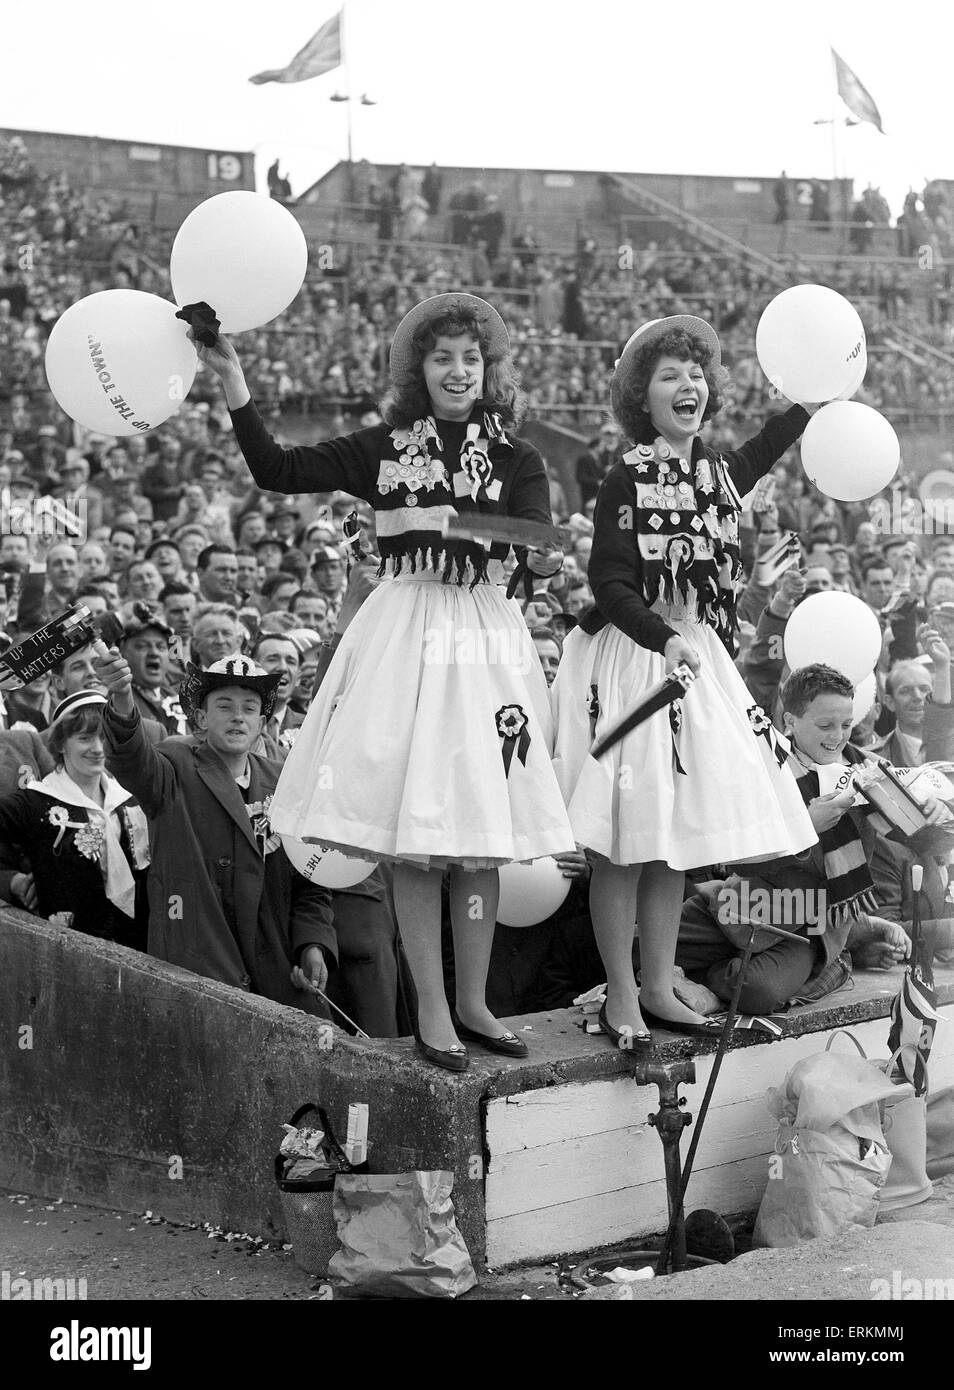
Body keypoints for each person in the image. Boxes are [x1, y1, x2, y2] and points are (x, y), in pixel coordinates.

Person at [193, 292, 576, 1070]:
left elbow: (536, 537)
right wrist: (233, 379)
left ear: (489, 369)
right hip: (406, 635)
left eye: (471, 358)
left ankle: (473, 1002)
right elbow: (277, 468)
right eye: (443, 358)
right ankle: (432, 1014)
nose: (458, 371)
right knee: (415, 837)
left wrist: (528, 552)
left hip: (483, 639)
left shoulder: (517, 455)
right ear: (419, 371)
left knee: (478, 838)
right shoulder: (385, 445)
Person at [551, 315, 818, 1046]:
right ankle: (620, 996)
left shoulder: (721, 474)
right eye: (670, 375)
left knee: (670, 840)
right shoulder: (623, 476)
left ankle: (659, 981)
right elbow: (608, 582)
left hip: (696, 659)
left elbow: (767, 446)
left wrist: (812, 400)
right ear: (644, 395)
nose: (688, 384)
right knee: (622, 842)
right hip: (641, 656)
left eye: (695, 373)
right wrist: (663, 639)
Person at [95, 650, 336, 1012]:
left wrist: (312, 943)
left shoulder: (284, 782)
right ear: (201, 718)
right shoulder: (173, 765)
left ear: (262, 722)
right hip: (198, 965)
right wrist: (122, 696)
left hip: (277, 973)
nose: (238, 716)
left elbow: (309, 881)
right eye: (224, 706)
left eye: (249, 708)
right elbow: (132, 759)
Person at [0, 690, 149, 949]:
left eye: (104, 738)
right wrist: (15, 881)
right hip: (67, 954)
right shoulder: (36, 801)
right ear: (60, 744)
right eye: (85, 738)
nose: (98, 749)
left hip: (138, 948)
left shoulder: (129, 798)